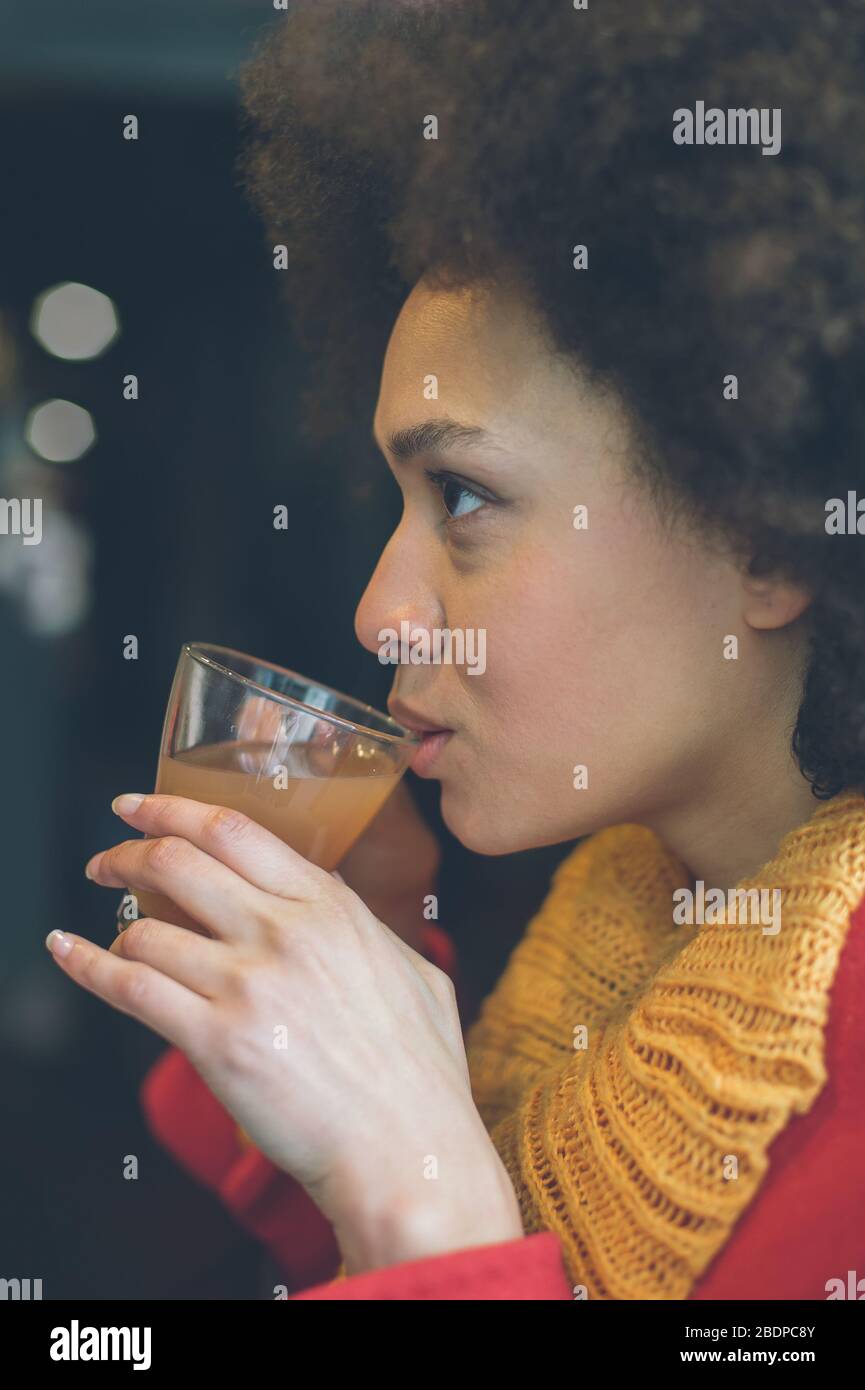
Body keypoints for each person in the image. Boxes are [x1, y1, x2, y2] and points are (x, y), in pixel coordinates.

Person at [48, 0, 865, 1299]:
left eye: (465, 499)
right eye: (399, 502)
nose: (379, 612)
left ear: (765, 535)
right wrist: (352, 1022)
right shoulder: (596, 946)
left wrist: (422, 1197)